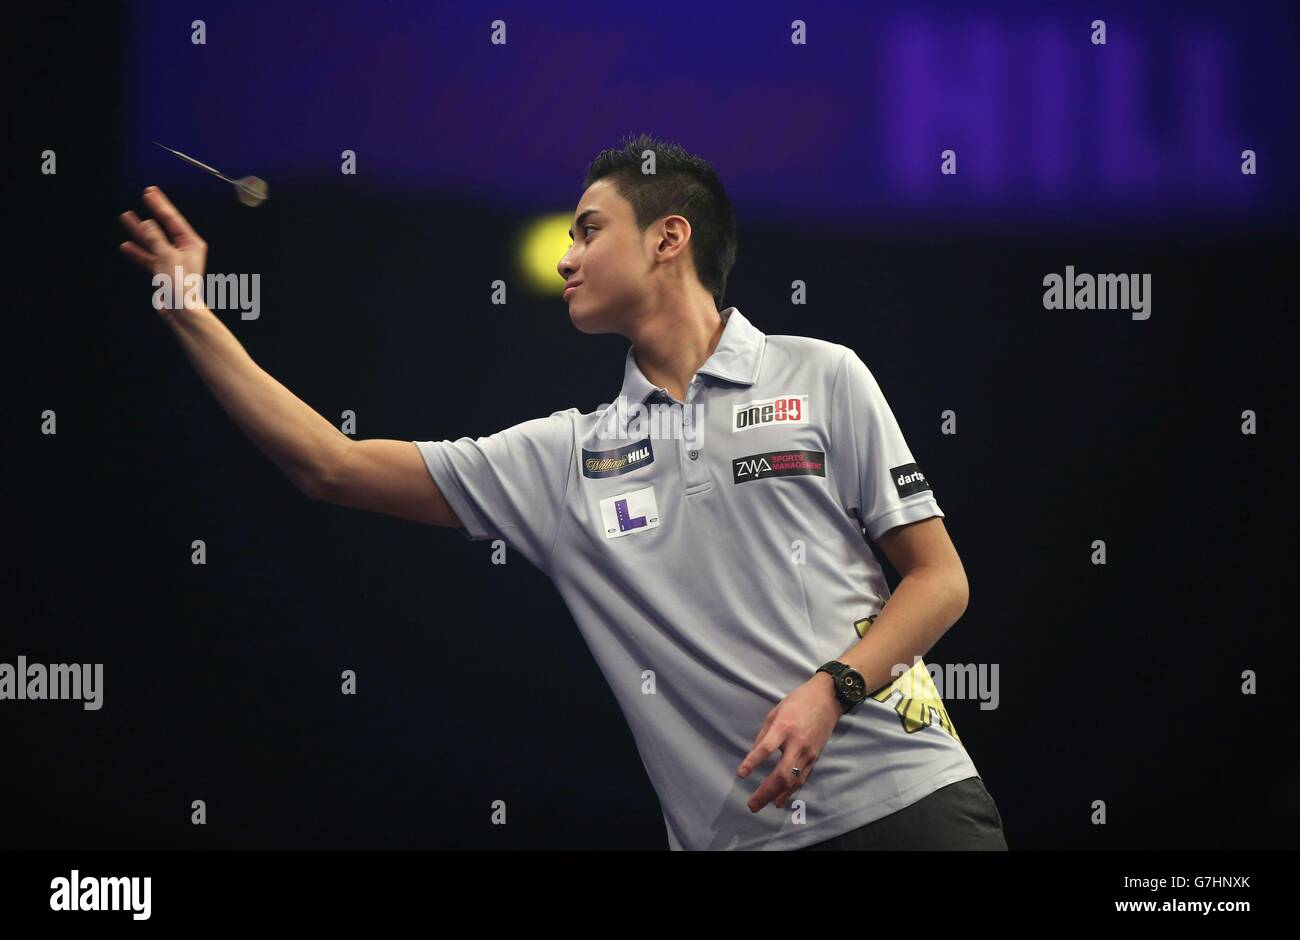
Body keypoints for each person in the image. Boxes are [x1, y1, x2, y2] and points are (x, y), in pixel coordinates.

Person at [118, 131, 1007, 851]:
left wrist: (831, 690)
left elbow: (940, 579)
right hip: (744, 843)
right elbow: (330, 465)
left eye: (588, 230)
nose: (564, 258)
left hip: (911, 806)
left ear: (669, 238)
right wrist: (193, 314)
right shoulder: (563, 461)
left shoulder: (822, 374)